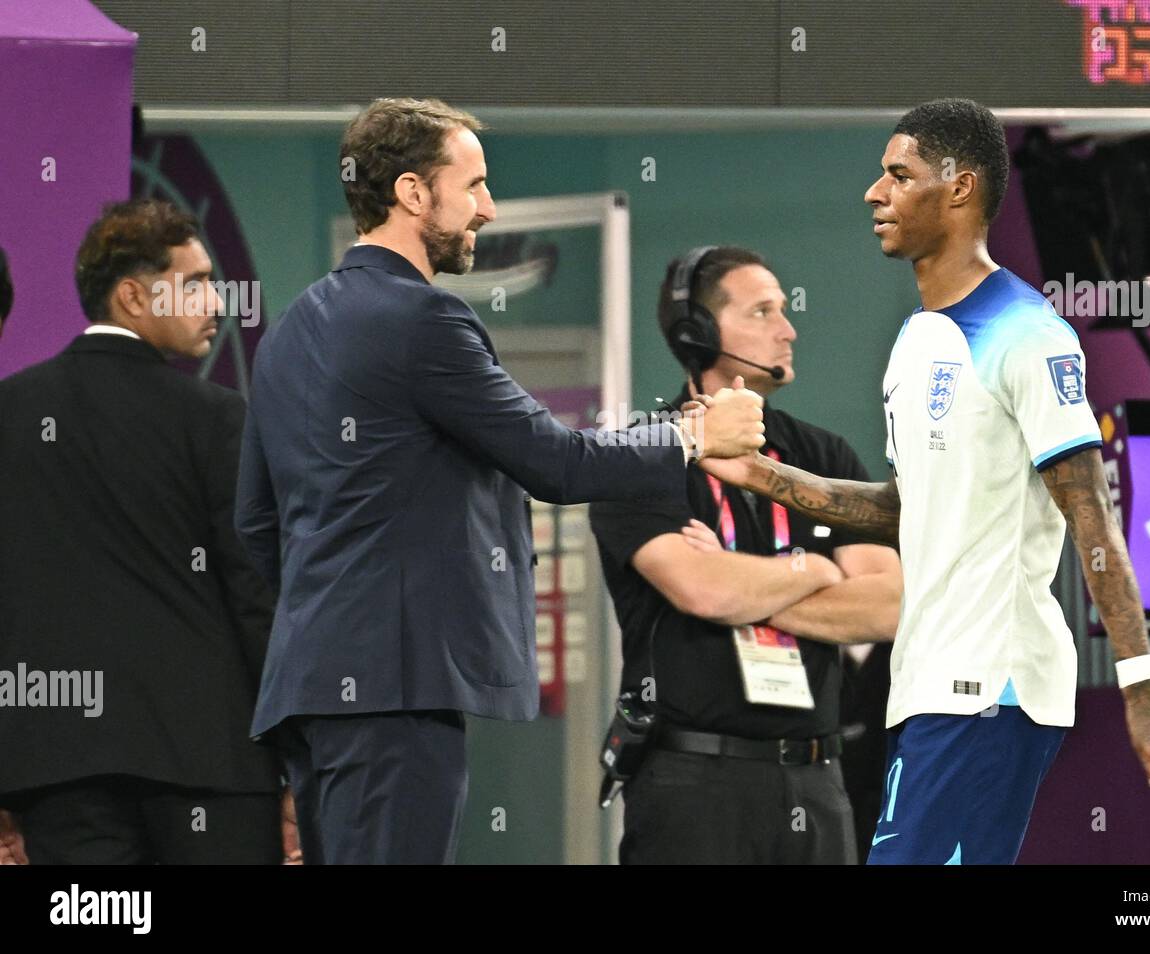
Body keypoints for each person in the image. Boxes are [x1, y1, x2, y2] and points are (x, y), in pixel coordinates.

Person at [234, 98, 765, 865]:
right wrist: (690, 433)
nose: (488, 207)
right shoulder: (425, 321)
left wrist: (336, 616)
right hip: (398, 693)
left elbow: (256, 521)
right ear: (413, 193)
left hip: (315, 691)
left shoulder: (287, 332)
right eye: (474, 184)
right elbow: (555, 461)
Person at [699, 99, 1150, 865]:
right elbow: (907, 510)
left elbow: (1092, 522)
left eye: (899, 175)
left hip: (990, 688)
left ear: (960, 189)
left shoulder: (1030, 336)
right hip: (931, 687)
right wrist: (764, 476)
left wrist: (1141, 683)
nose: (875, 193)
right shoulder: (915, 341)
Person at [589, 245, 901, 864]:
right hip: (695, 779)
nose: (788, 329)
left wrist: (745, 590)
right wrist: (814, 571)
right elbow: (700, 590)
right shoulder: (638, 457)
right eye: (762, 312)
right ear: (699, 333)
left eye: (783, 310)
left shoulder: (825, 457)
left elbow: (889, 606)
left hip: (817, 781)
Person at [0, 199, 286, 864]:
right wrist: (297, 758)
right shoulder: (218, 418)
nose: (217, 303)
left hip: (57, 773)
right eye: (195, 283)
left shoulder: (9, 416)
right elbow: (257, 599)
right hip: (210, 767)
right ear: (132, 295)